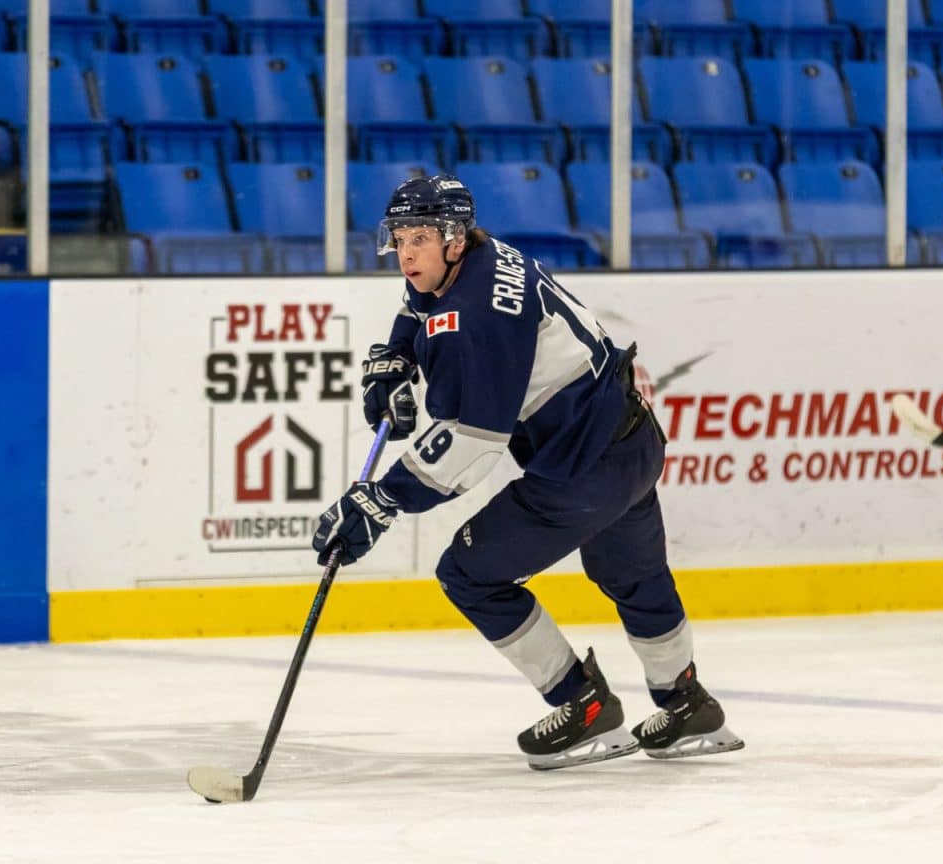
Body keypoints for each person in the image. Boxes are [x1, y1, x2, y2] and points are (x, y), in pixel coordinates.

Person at [311, 174, 743, 770]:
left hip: (583, 467)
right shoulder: (478, 257)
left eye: (421, 238)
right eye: (401, 237)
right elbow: (418, 303)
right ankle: (685, 701)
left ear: (455, 238)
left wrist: (383, 501)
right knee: (633, 575)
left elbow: (473, 439)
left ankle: (584, 706)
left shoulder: (481, 315)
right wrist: (397, 355)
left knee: (468, 572)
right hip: (632, 441)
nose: (407, 253)